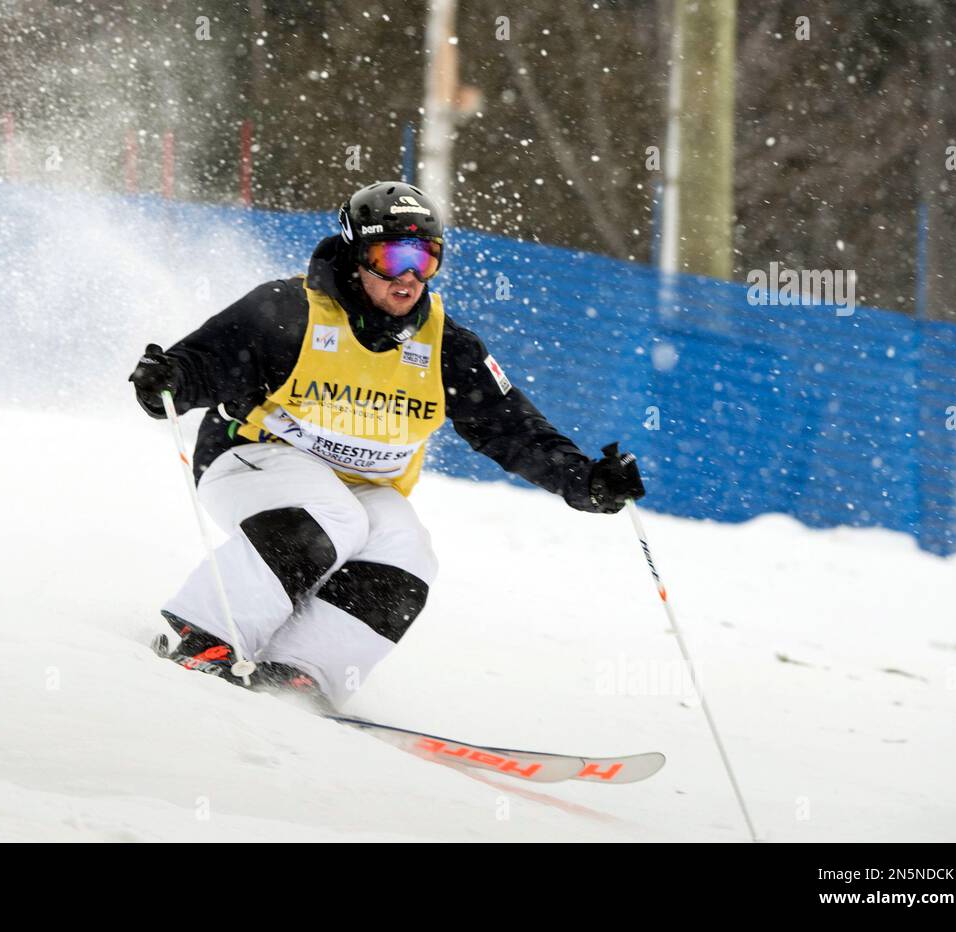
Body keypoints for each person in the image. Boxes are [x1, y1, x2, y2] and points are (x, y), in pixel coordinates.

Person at [128, 181, 644, 711]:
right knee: (333, 517)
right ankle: (199, 632)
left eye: (425, 260)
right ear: (356, 256)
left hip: (359, 486)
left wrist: (586, 480)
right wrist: (170, 378)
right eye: (392, 257)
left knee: (407, 549)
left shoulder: (447, 348)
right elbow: (203, 363)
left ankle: (300, 672)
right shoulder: (291, 311)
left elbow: (512, 428)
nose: (409, 277)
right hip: (251, 458)